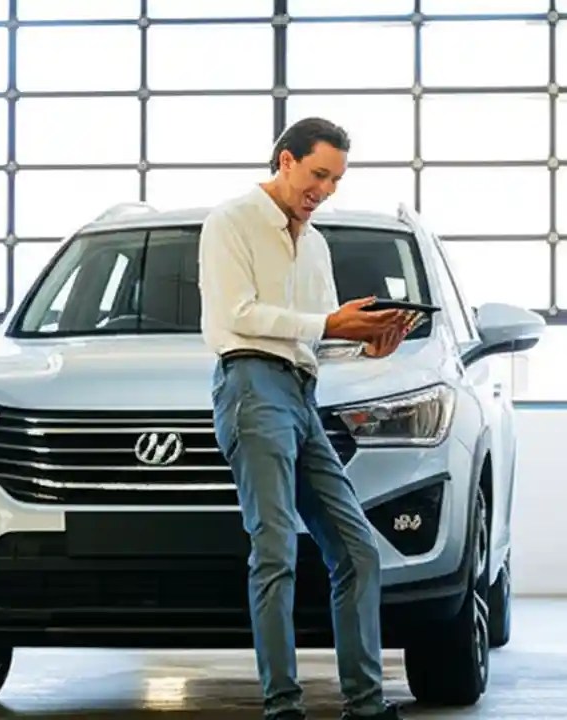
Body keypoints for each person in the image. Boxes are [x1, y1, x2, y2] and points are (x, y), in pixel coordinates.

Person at [198, 117, 412, 720]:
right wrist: (328, 326)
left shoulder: (316, 243)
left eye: (337, 179)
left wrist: (367, 343)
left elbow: (318, 333)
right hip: (250, 385)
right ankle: (282, 707)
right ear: (285, 161)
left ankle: (365, 706)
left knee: (357, 550)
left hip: (302, 392)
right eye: (318, 174)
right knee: (275, 550)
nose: (326, 189)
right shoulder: (231, 222)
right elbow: (237, 314)